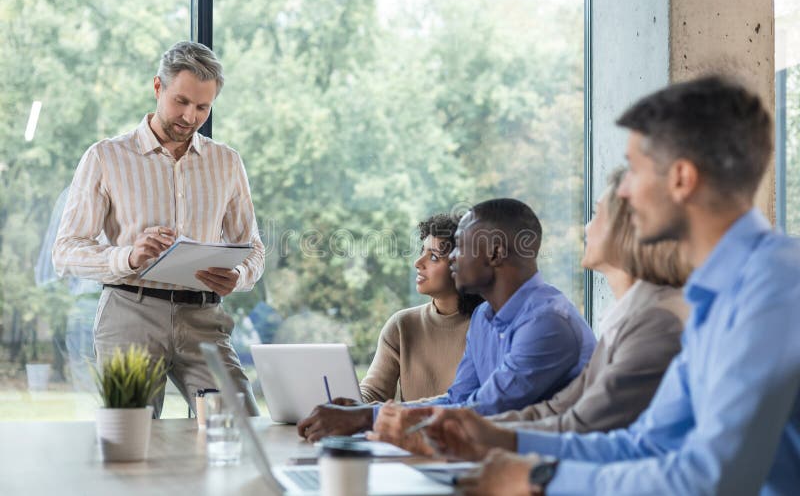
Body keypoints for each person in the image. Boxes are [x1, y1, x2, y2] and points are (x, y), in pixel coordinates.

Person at [421, 76, 800, 495]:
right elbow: (647, 443)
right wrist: (504, 440)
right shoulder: (716, 295)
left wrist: (537, 478)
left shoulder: (775, 288)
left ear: (681, 179)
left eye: (634, 170)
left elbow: (709, 478)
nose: (622, 190)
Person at [370, 167, 690, 453]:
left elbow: (579, 426)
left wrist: (448, 432)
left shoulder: (646, 322)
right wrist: (447, 428)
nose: (585, 228)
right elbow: (553, 412)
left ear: (632, 226)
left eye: (596, 214)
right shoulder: (626, 317)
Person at [53, 41, 265, 417]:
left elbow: (252, 248)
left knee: (240, 424)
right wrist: (130, 255)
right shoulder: (105, 157)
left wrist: (240, 275)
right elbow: (66, 251)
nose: (190, 116)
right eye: (180, 102)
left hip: (204, 319)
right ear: (157, 87)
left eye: (203, 107)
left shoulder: (227, 162)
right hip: (129, 316)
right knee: (132, 439)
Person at [297, 199, 596, 442]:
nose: (453, 258)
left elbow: (489, 408)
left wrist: (367, 418)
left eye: (461, 246)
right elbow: (459, 398)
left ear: (495, 253)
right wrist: (368, 414)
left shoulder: (547, 322)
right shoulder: (484, 317)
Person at [359, 213, 484, 403]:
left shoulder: (490, 327)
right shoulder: (401, 325)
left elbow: (470, 401)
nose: (418, 263)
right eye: (422, 251)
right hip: (410, 431)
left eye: (433, 257)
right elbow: (373, 392)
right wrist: (348, 403)